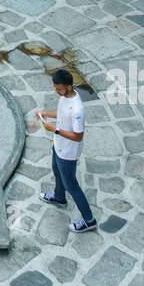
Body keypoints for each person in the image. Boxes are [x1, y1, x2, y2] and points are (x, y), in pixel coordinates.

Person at [39, 68, 97, 234]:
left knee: (72, 186)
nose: (56, 91)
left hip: (68, 153)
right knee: (56, 172)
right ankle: (59, 197)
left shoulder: (77, 110)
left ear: (69, 87)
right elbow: (61, 114)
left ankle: (89, 220)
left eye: (59, 89)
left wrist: (54, 130)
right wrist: (46, 114)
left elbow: (78, 136)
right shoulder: (65, 97)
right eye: (55, 88)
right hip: (58, 145)